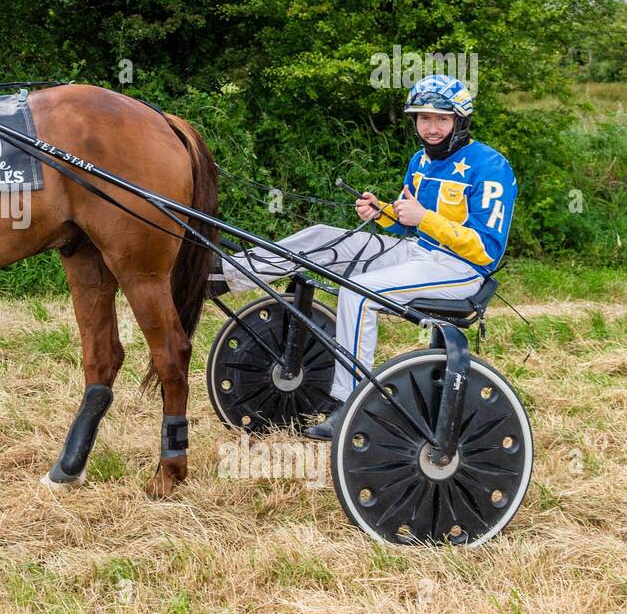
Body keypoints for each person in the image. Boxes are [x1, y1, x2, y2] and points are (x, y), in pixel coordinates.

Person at [211, 74, 517, 440]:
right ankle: (224, 275)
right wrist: (382, 213)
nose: (431, 128)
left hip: (461, 269)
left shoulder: (491, 166)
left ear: (460, 121)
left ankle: (349, 403)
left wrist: (425, 218)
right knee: (321, 237)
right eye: (423, 118)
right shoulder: (420, 160)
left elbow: (487, 249)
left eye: (441, 119)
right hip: (417, 252)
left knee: (358, 291)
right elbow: (409, 225)